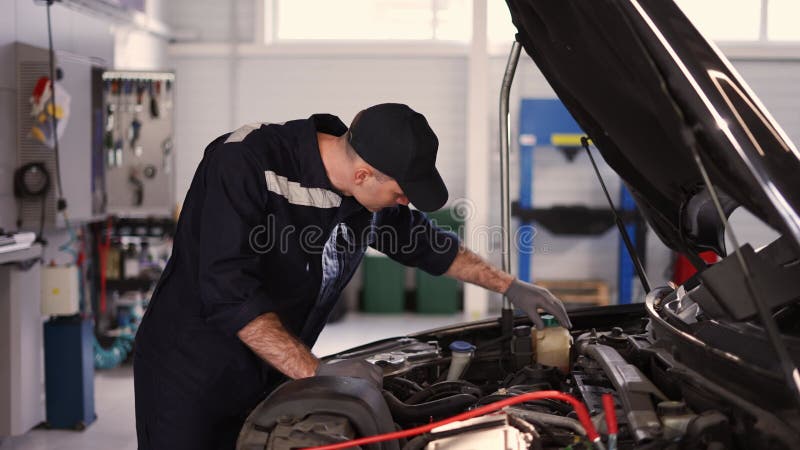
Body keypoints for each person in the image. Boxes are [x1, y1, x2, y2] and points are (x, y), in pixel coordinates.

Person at [133, 103, 571, 449]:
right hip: (191, 373)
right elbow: (228, 293)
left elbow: (424, 242)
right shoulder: (244, 161)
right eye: (399, 193)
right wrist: (317, 372)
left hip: (273, 364)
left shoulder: (362, 193)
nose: (402, 203)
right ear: (363, 174)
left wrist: (509, 285)